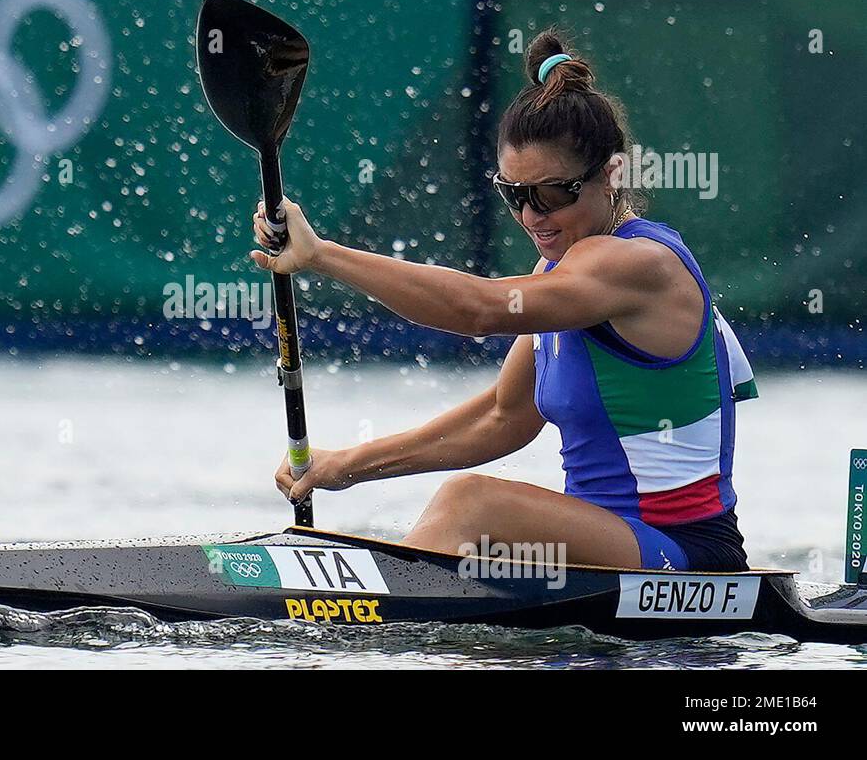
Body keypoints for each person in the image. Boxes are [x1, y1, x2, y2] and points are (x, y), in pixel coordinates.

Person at [249, 30, 756, 571]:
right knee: (466, 547)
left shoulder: (639, 265)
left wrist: (322, 256)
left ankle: (363, 612)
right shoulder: (556, 277)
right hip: (607, 560)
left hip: (688, 560)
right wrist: (344, 465)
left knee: (472, 504)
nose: (531, 215)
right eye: (513, 194)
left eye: (552, 193)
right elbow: (501, 415)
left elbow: (480, 311)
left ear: (612, 174)